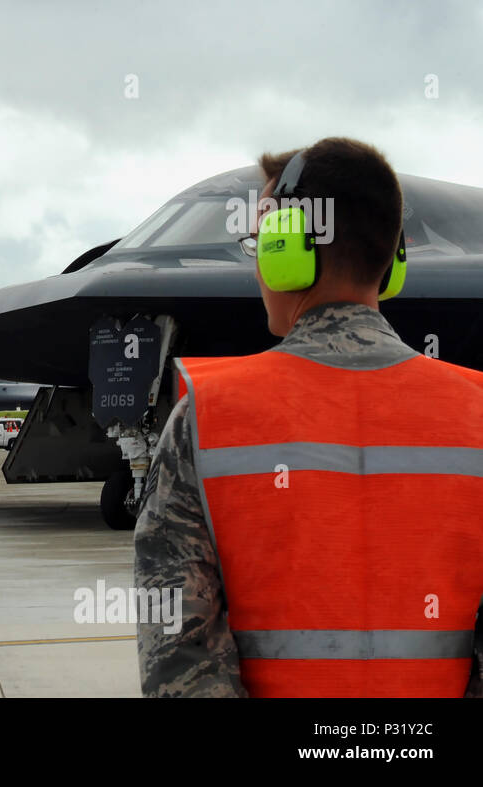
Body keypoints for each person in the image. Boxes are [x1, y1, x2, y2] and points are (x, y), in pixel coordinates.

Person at [134, 137, 483, 698]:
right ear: (393, 262)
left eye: (259, 244)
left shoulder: (207, 414)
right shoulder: (478, 412)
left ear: (286, 250)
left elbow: (179, 652)